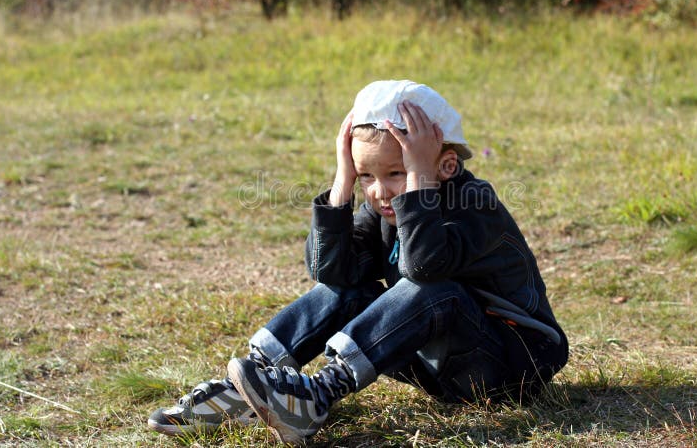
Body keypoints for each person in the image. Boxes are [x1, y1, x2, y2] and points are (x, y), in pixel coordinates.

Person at [148, 80, 568, 444]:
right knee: (347, 288)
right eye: (367, 175)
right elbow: (331, 271)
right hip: (440, 366)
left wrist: (418, 182)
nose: (380, 191)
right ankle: (247, 390)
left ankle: (319, 395)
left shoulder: (476, 204)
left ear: (446, 164)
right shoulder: (384, 206)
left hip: (511, 366)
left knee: (434, 288)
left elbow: (424, 268)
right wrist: (343, 183)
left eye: (397, 173)